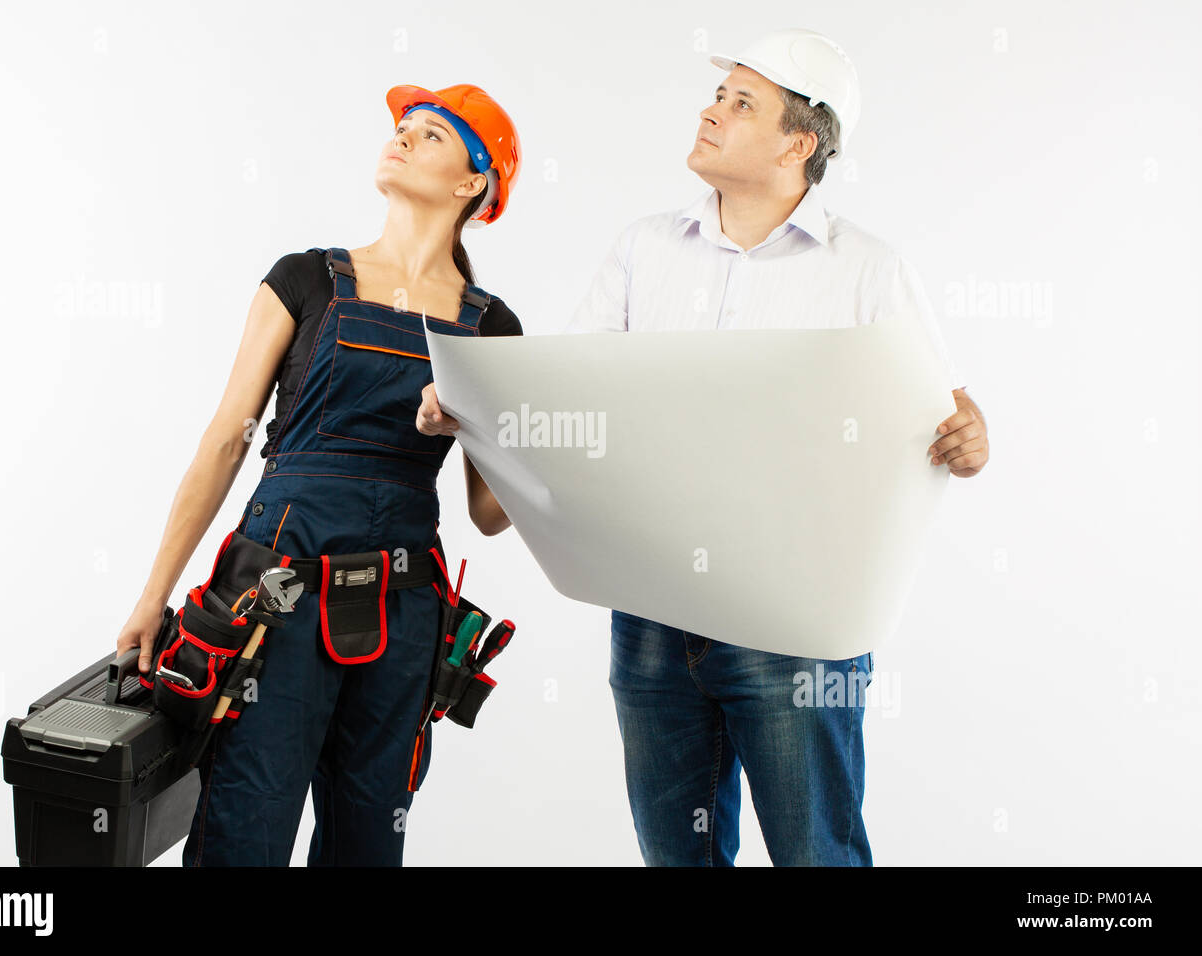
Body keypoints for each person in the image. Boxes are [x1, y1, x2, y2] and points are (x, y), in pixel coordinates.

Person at [421, 28, 990, 866]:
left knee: (817, 854)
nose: (711, 111)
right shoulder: (644, 249)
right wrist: (470, 409)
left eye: (741, 102)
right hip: (650, 616)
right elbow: (566, 394)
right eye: (719, 96)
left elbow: (937, 408)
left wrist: (970, 434)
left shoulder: (867, 268)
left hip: (796, 627)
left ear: (800, 141)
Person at [114, 82, 525, 866]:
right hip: (275, 595)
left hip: (405, 613)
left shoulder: (491, 328)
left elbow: (490, 512)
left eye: (430, 134)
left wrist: (480, 420)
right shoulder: (304, 278)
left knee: (370, 833)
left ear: (472, 184)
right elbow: (223, 443)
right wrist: (152, 593)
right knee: (245, 822)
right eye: (403, 126)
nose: (402, 137)